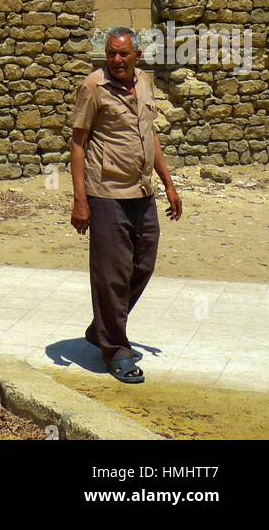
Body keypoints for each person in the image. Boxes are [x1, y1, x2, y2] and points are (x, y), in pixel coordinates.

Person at [70, 27, 182, 384]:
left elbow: (150, 135)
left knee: (144, 262)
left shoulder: (146, 83)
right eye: (111, 53)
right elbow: (77, 144)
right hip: (106, 194)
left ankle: (103, 327)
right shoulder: (93, 87)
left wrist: (168, 183)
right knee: (111, 272)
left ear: (137, 56)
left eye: (123, 54)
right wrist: (80, 200)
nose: (116, 60)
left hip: (142, 191)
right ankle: (115, 349)